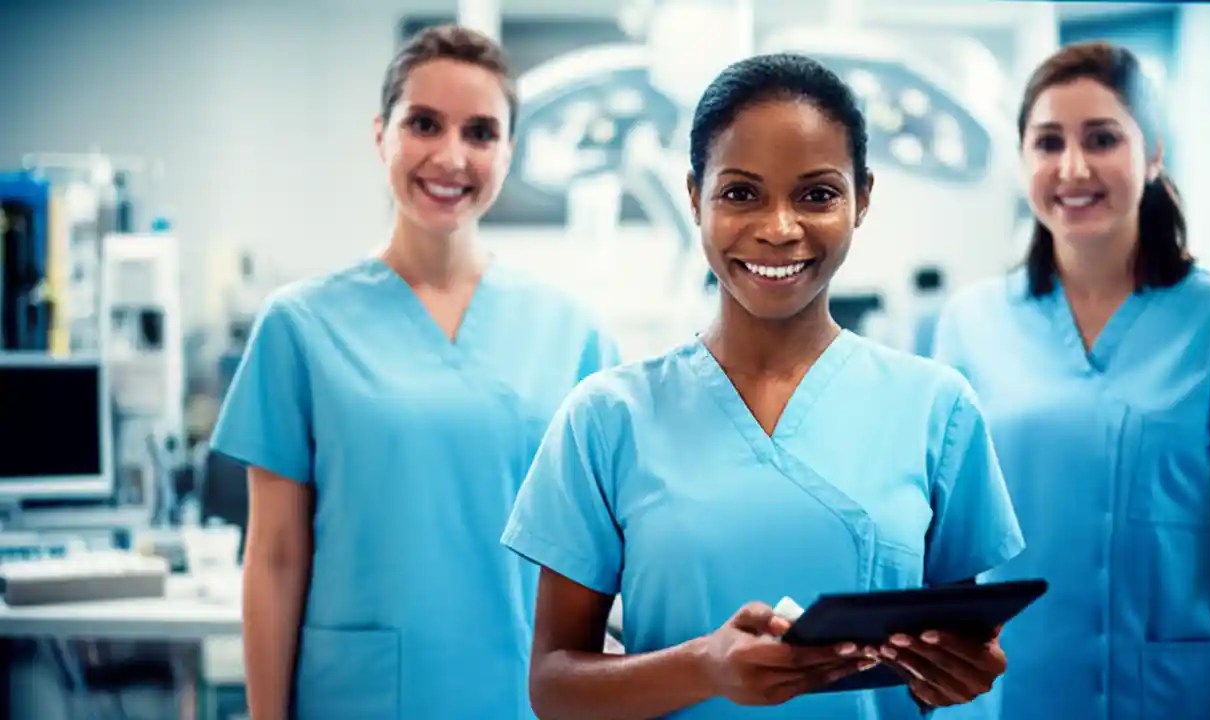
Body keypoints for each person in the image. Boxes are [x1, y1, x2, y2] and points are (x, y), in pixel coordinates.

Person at [500, 53, 1025, 719]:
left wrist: (960, 673)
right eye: (741, 193)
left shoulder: (936, 410)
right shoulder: (607, 419)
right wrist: (704, 668)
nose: (779, 227)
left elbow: (964, 651)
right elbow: (553, 685)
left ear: (863, 198)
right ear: (695, 197)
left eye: (817, 194)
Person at [211, 25, 619, 720]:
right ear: (382, 134)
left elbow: (601, 560)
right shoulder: (301, 326)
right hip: (360, 697)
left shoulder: (571, 332)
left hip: (518, 695)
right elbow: (275, 557)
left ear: (509, 151)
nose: (451, 156)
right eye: (424, 124)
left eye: (482, 132)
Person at [931, 41, 1210, 720]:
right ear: (1023, 160)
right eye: (1048, 142)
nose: (1073, 167)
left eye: (1103, 138)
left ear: (1152, 155)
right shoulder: (969, 324)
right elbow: (948, 549)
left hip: (1177, 696)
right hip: (1009, 693)